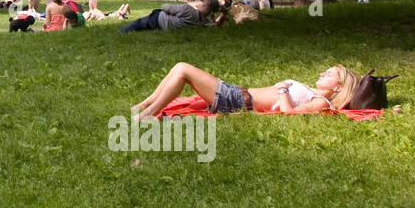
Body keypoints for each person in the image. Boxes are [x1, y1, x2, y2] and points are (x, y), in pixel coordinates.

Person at [131, 62, 359, 119]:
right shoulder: (313, 92)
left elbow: (289, 113)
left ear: (338, 87)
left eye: (328, 75)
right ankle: (144, 106)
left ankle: (148, 113)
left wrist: (281, 92)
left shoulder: (322, 103)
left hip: (237, 101)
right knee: (179, 68)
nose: (322, 74)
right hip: (237, 94)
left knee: (183, 70)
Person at [120, 0, 224, 32]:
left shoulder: (187, 9)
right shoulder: (204, 23)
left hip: (158, 19)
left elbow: (165, 7)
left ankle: (120, 31)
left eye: (203, 3)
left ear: (205, 6)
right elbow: (216, 24)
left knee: (137, 23)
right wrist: (224, 14)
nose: (201, 3)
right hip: (162, 26)